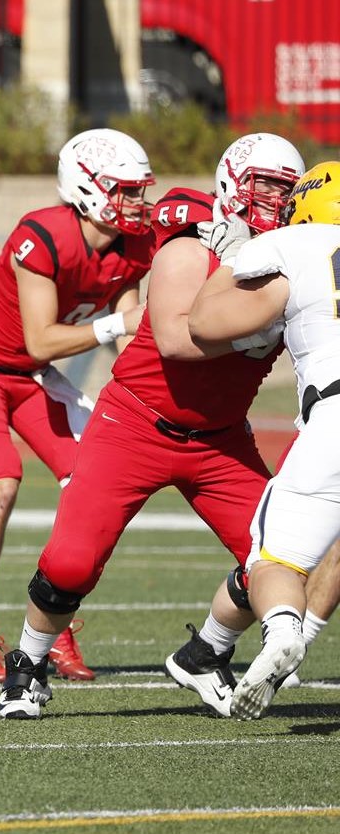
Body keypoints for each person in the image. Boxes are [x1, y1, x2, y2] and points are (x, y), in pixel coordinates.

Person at [0, 133, 306, 720]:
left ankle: (206, 651)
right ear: (235, 181)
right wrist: (258, 322)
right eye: (265, 183)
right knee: (72, 562)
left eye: (286, 189)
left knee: (285, 555)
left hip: (219, 439)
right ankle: (28, 661)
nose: (275, 198)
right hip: (135, 420)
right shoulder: (190, 250)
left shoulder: (291, 266)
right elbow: (175, 342)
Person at [0, 128, 154, 683]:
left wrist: (141, 394)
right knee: (2, 481)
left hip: (34, 377)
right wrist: (117, 324)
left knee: (89, 484)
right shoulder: (44, 234)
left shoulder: (133, 247)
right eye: (125, 191)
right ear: (85, 188)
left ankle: (52, 627)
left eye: (139, 192)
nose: (137, 203)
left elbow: (128, 340)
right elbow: (43, 338)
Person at [185, 161, 340, 719]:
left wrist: (229, 262)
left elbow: (202, 324)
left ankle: (281, 633)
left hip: (335, 416)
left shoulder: (292, 241)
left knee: (276, 561)